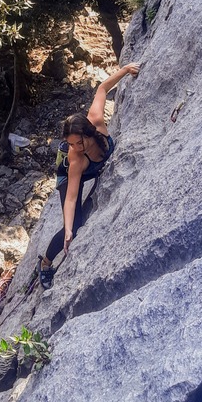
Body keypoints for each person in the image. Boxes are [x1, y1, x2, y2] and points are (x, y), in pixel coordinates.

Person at [38, 62, 141, 289]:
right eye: (70, 143)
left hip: (92, 164)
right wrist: (67, 229)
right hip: (68, 173)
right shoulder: (76, 157)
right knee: (75, 225)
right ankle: (45, 263)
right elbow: (72, 197)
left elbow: (102, 88)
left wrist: (125, 70)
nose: (76, 146)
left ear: (88, 132)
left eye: (78, 141)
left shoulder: (96, 121)